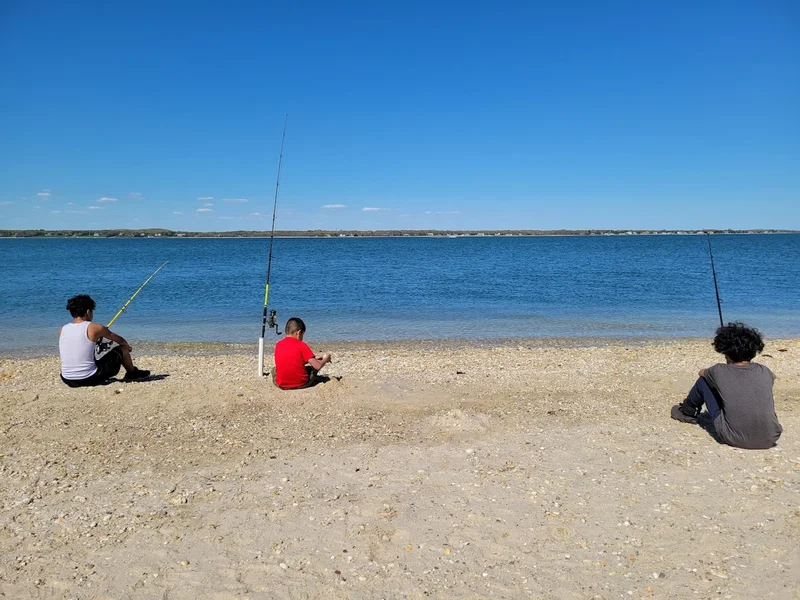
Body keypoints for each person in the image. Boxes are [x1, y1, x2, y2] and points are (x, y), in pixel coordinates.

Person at [671, 322, 782, 449]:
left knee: (704, 381)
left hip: (733, 438)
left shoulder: (718, 370)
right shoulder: (765, 371)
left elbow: (701, 372)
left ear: (725, 351)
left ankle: (687, 411)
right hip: (771, 437)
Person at [58, 294, 150, 387]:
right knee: (122, 349)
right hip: (89, 378)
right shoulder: (95, 327)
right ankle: (132, 372)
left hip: (67, 379)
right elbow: (120, 340)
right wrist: (127, 347)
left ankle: (132, 372)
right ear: (88, 312)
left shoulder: (62, 329)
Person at [273, 317, 331, 389]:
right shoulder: (301, 345)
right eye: (302, 335)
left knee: (274, 369)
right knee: (311, 369)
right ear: (299, 333)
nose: (302, 338)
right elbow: (317, 366)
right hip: (301, 383)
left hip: (281, 384)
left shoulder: (278, 344)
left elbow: (292, 360)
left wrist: (314, 358)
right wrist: (326, 358)